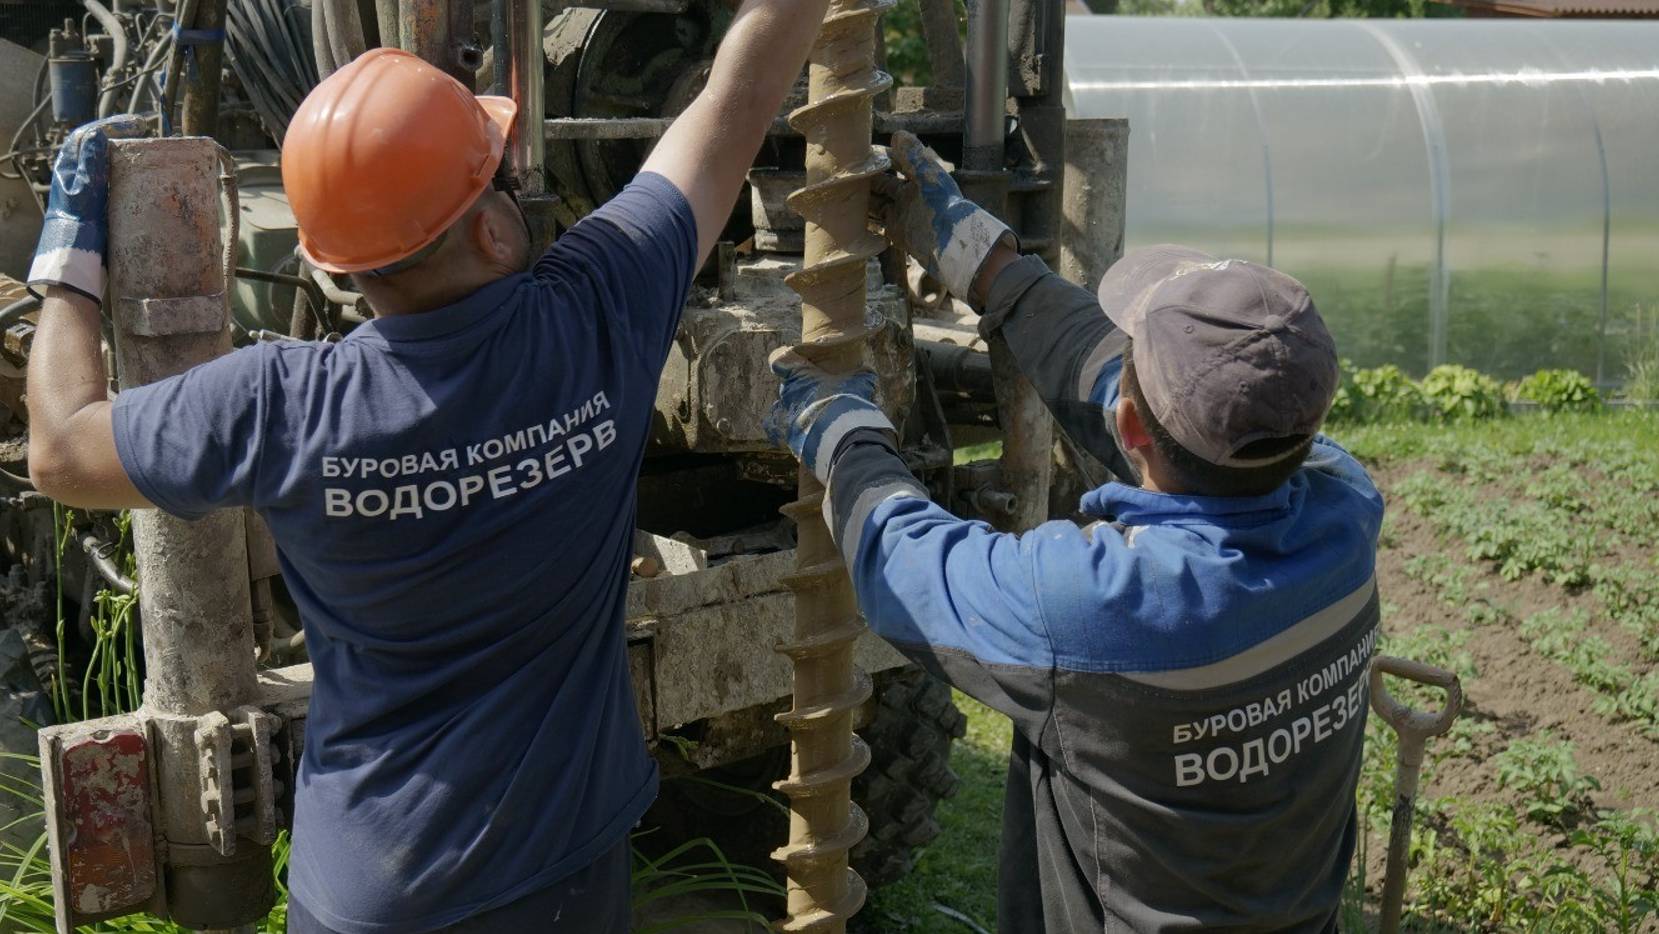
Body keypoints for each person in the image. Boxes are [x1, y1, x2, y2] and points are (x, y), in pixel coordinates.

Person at [24, 5, 835, 928]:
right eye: (497, 182)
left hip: (366, 892)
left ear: (338, 268)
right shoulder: (597, 319)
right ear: (490, 233)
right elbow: (734, 101)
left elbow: (60, 452)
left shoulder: (277, 404)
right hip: (558, 882)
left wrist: (68, 265)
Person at [769, 132, 1385, 932]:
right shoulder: (1344, 506)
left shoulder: (1093, 609)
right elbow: (1119, 388)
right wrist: (981, 261)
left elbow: (904, 560)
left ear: (1128, 427)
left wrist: (841, 431)